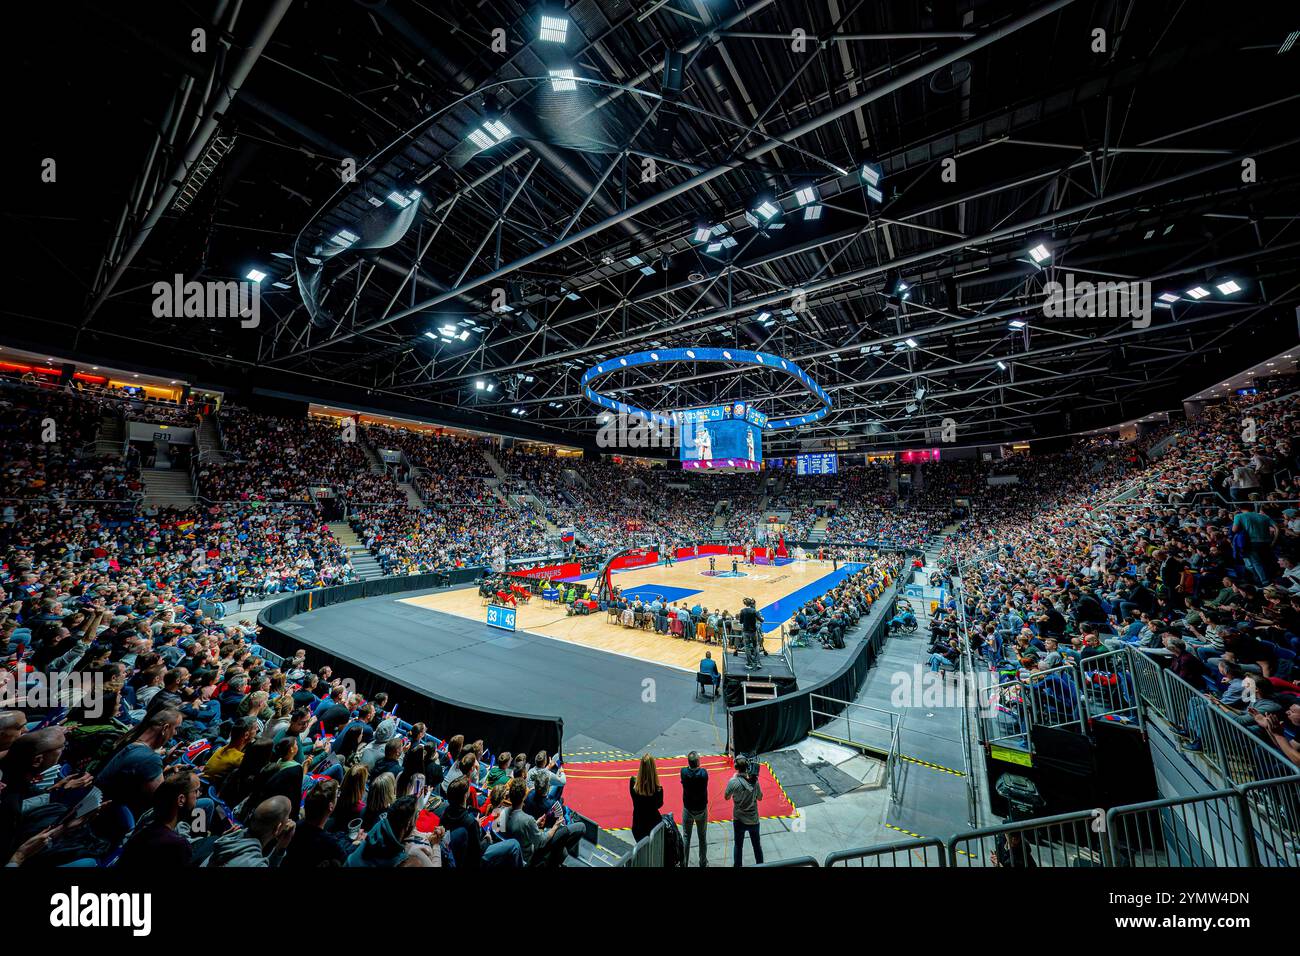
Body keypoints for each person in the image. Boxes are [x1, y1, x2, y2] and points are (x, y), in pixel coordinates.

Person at [724, 756, 763, 866]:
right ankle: (761, 865)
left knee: (738, 845)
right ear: (747, 767)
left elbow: (726, 797)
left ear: (736, 767)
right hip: (753, 820)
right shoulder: (754, 782)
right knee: (756, 846)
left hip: (739, 819)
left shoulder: (733, 782)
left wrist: (734, 781)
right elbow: (760, 797)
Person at [679, 751, 709, 867]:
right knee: (702, 837)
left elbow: (686, 769)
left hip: (688, 809)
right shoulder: (703, 774)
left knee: (686, 837)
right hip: (701, 809)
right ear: (698, 762)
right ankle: (702, 862)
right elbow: (701, 770)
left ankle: (684, 863)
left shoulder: (684, 772)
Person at [628, 753, 664, 842]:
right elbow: (659, 805)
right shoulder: (658, 790)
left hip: (638, 825)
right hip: (653, 826)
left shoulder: (633, 784)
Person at [738, 597, 762, 670]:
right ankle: (758, 663)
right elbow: (761, 620)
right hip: (753, 631)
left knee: (747, 647)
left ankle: (749, 663)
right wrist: (762, 619)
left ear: (745, 604)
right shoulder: (754, 611)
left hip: (746, 631)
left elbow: (741, 621)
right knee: (756, 646)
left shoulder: (742, 611)